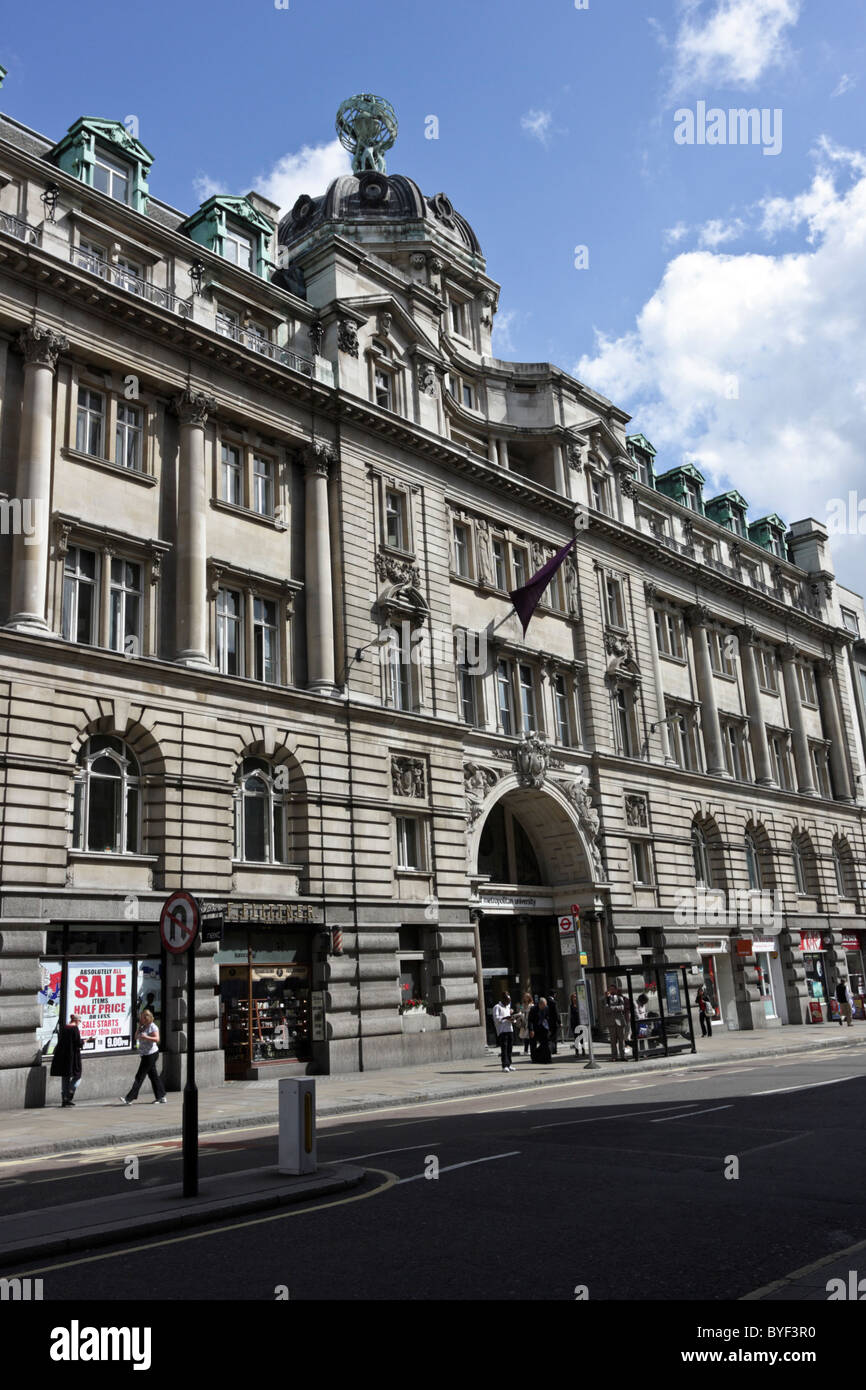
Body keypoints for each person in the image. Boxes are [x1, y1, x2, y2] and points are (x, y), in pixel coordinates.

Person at [121, 1009, 166, 1104]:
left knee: (139, 1076)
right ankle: (161, 1096)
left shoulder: (153, 1027)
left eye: (142, 1017)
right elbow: (136, 1037)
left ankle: (129, 1098)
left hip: (151, 1054)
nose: (140, 1019)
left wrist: (146, 1037)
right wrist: (139, 1029)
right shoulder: (143, 1026)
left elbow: (157, 1039)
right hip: (145, 1054)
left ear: (147, 1018)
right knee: (153, 1076)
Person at [50, 1012, 83, 1107]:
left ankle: (65, 1099)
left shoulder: (64, 1027)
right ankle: (69, 1092)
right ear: (76, 1021)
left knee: (65, 1077)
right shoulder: (74, 1028)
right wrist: (84, 1041)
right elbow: (77, 1043)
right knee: (77, 1076)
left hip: (62, 1056)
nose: (79, 1023)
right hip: (72, 1057)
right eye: (79, 1021)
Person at [603, 983, 628, 1061]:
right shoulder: (606, 999)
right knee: (613, 1041)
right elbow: (606, 1009)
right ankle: (614, 1056)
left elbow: (622, 1007)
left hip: (620, 1022)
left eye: (613, 989)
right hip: (611, 1022)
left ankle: (623, 1056)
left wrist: (612, 1008)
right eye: (610, 989)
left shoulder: (620, 997)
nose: (611, 990)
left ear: (616, 990)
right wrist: (615, 1008)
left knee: (621, 1040)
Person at [493, 993, 515, 1071]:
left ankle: (509, 1064)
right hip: (502, 1031)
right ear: (503, 999)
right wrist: (505, 1018)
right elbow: (496, 1018)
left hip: (510, 1029)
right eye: (507, 1001)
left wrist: (513, 1019)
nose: (508, 1003)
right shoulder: (497, 1007)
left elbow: (510, 1018)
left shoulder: (507, 1007)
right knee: (504, 1048)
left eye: (509, 1001)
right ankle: (504, 1065)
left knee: (510, 1048)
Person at [528, 996, 553, 1064]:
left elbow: (548, 1017)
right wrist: (531, 1030)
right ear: (540, 1004)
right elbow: (530, 1021)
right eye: (543, 1005)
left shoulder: (546, 1008)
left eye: (545, 1005)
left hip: (543, 1028)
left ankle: (546, 1058)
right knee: (533, 1044)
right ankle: (534, 1059)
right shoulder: (533, 1009)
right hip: (534, 1028)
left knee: (545, 1043)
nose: (545, 1007)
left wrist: (549, 1027)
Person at [547, 991, 559, 1055]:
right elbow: (556, 1013)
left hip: (547, 1022)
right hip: (554, 1022)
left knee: (549, 1036)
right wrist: (559, 1021)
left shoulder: (546, 1001)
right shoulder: (553, 1002)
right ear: (554, 994)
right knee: (554, 1037)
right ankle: (554, 1050)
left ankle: (549, 1049)